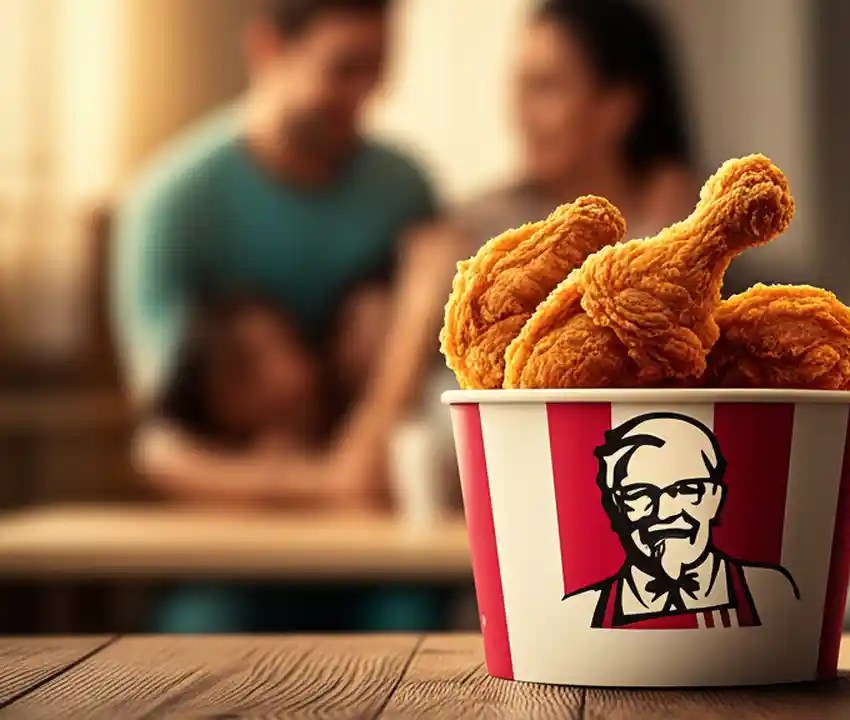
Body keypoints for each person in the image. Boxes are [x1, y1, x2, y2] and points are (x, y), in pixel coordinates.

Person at [114, 0, 458, 631]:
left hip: (383, 533)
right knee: (202, 638)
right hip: (233, 544)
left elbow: (435, 398)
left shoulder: (404, 188)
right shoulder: (170, 205)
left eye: (378, 70)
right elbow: (165, 445)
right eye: (343, 68)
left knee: (415, 633)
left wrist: (406, 323)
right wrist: (327, 483)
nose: (363, 95)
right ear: (268, 49)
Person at [456, 0, 698, 246]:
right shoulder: (478, 232)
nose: (522, 113)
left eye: (545, 87)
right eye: (521, 86)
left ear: (618, 106)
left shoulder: (698, 228)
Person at [564, 413, 799, 629]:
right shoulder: (581, 610)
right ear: (616, 507)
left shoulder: (767, 591)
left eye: (687, 489)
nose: (665, 513)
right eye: (639, 493)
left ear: (715, 498)